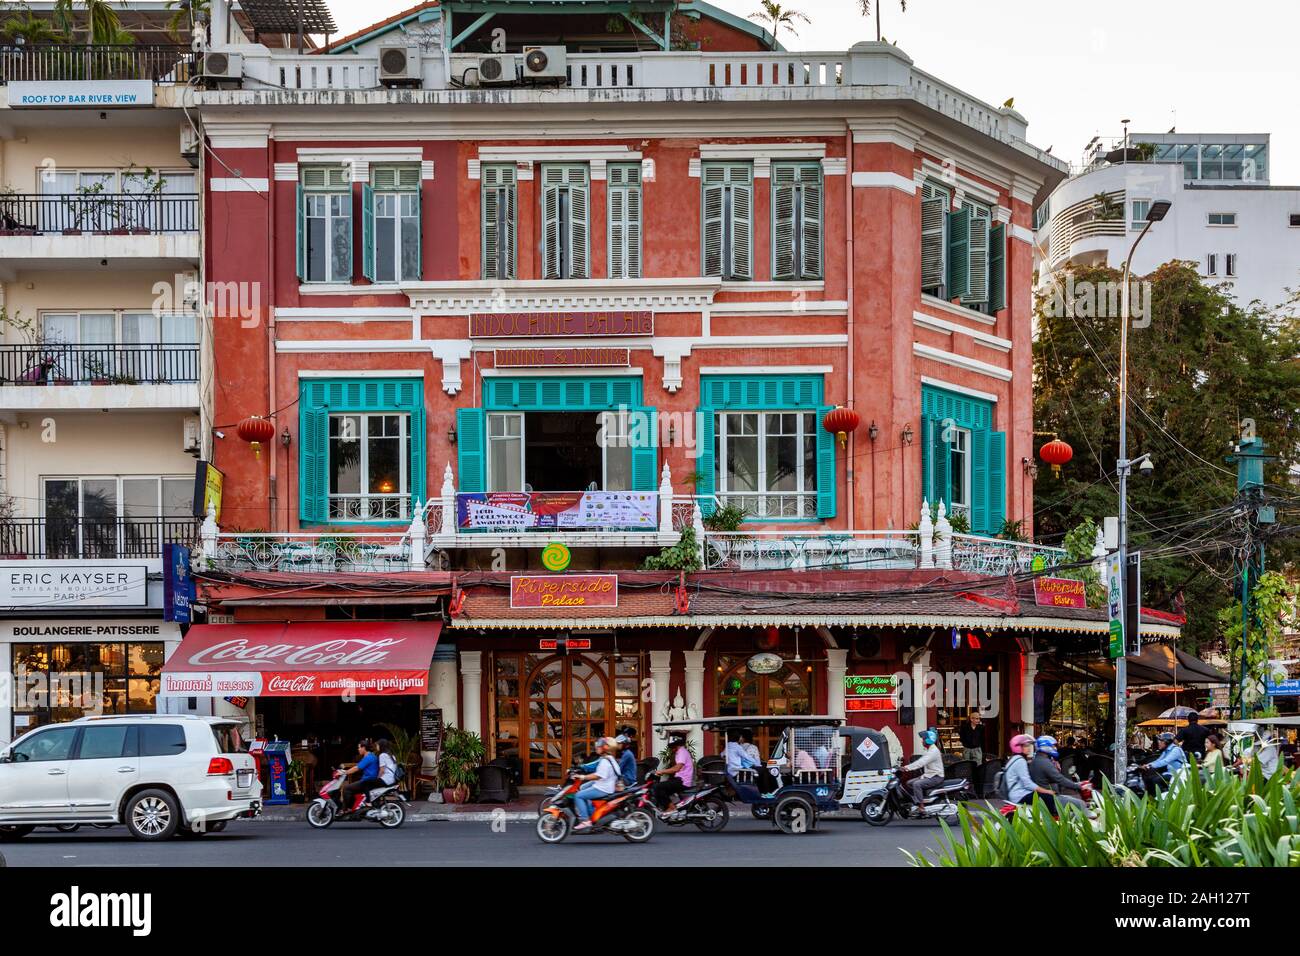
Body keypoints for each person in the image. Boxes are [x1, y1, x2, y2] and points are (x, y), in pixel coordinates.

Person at [1028, 735, 1086, 812]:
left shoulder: (1036, 760)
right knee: (1081, 804)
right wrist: (1079, 786)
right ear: (1046, 746)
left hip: (1044, 796)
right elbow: (1060, 779)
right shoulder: (1045, 762)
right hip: (1050, 799)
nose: (1055, 748)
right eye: (1053, 746)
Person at [1004, 733, 1058, 814]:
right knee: (1049, 798)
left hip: (1015, 794)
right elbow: (1027, 784)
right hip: (1020, 795)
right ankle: (1050, 821)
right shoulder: (1020, 761)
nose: (1029, 748)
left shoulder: (1013, 759)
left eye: (1029, 745)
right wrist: (1046, 791)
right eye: (1026, 746)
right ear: (1018, 747)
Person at [652, 733, 694, 812]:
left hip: (682, 781)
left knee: (658, 787)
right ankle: (671, 805)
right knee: (662, 787)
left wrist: (662, 771)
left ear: (675, 745)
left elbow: (677, 768)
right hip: (679, 779)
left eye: (671, 747)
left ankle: (672, 808)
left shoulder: (682, 752)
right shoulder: (680, 752)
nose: (671, 749)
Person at [902, 729, 945, 806]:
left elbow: (921, 762)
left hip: (936, 776)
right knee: (909, 783)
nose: (922, 741)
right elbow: (921, 761)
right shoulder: (928, 750)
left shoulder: (933, 752)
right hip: (929, 775)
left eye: (923, 739)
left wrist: (906, 768)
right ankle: (923, 799)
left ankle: (921, 807)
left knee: (916, 784)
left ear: (929, 740)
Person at [338, 738, 380, 811]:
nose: (358, 749)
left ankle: (345, 810)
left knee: (346, 788)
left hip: (367, 781)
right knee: (351, 789)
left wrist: (344, 772)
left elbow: (356, 768)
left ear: (363, 748)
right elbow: (358, 766)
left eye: (359, 747)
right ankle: (352, 809)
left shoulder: (368, 757)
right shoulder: (370, 756)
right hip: (369, 780)